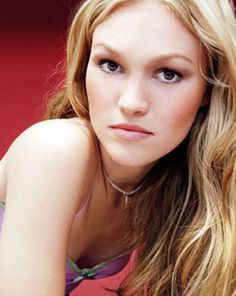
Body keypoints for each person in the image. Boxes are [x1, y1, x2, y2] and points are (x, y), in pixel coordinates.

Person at [0, 0, 235, 295]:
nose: (131, 102)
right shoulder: (55, 150)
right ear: (83, 67)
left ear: (209, 88)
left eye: (168, 73)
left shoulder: (179, 183)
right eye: (111, 65)